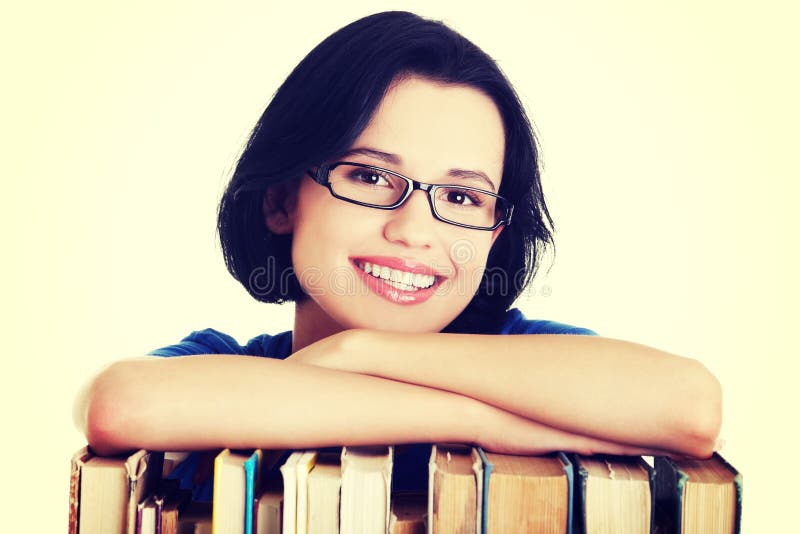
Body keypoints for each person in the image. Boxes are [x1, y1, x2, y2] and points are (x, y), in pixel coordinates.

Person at [74, 10, 721, 498]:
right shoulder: (225, 367)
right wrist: (488, 421)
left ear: (494, 234)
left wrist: (362, 353)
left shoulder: (526, 359)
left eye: (464, 197)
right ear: (280, 201)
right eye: (370, 177)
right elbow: (120, 405)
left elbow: (690, 407)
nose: (415, 230)